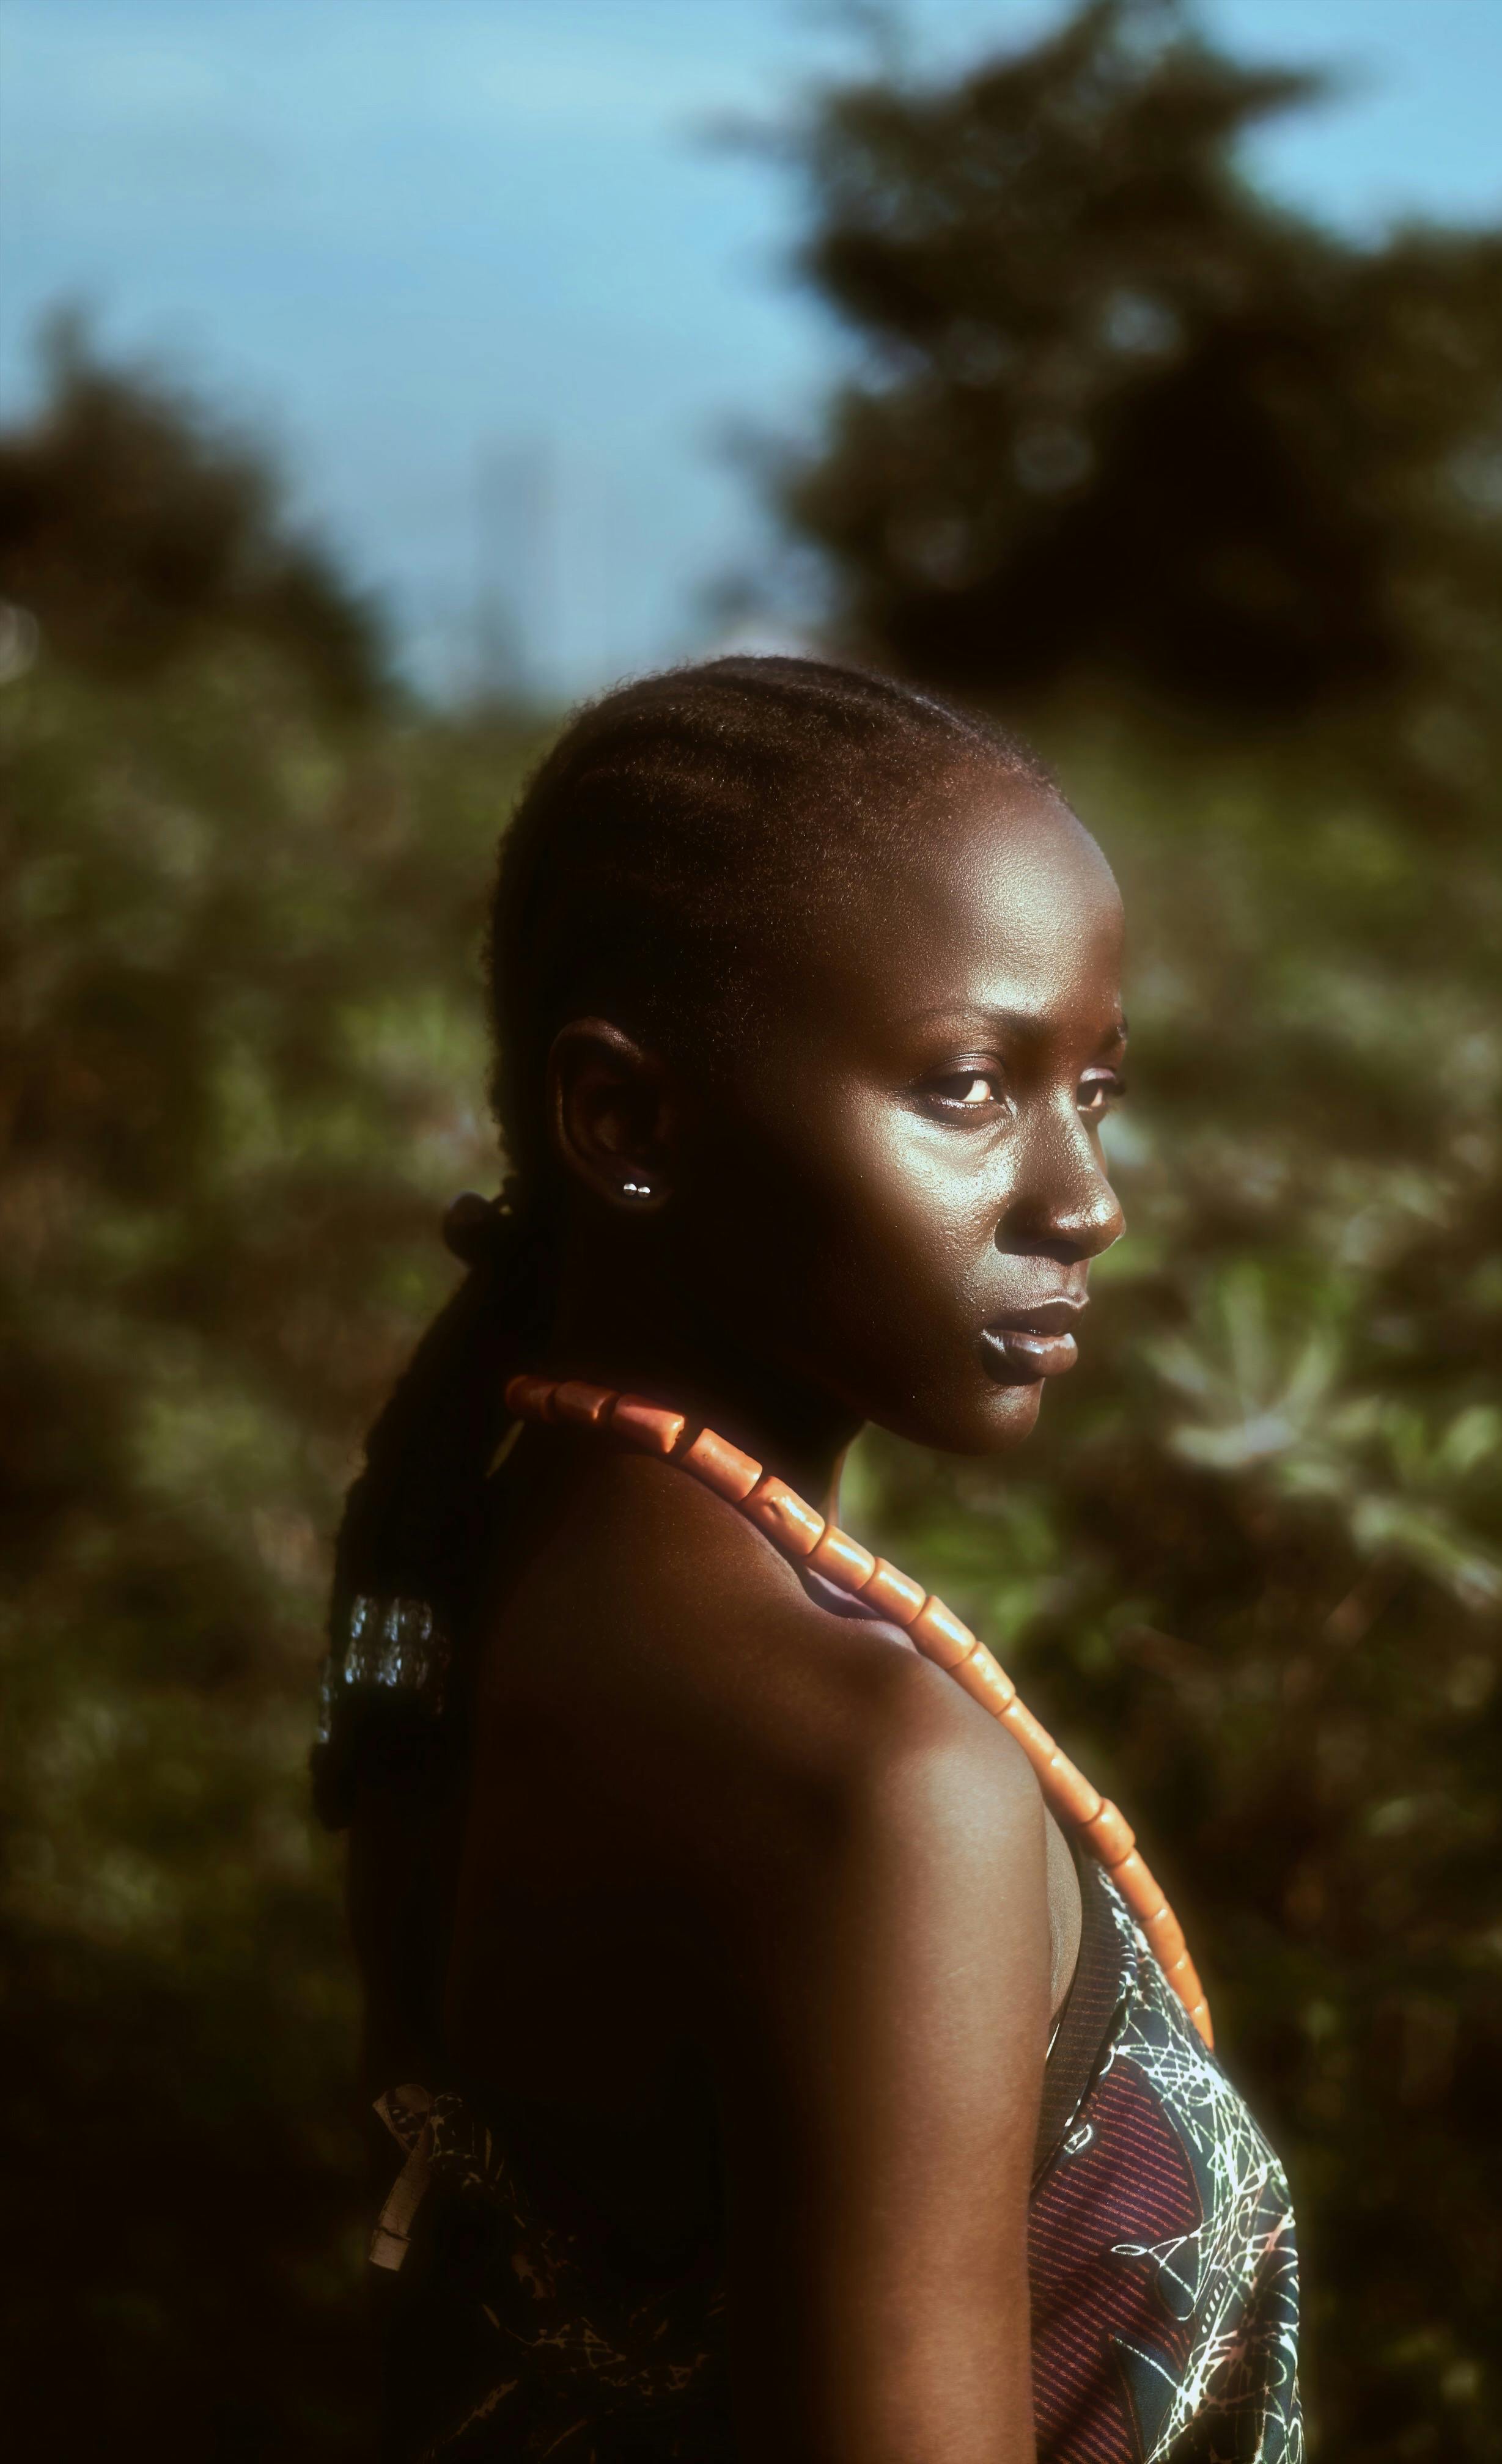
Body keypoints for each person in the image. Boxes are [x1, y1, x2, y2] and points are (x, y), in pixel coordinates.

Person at [315, 656, 1302, 2463]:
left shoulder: (507, 1552)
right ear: (625, 1120)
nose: (1086, 1201)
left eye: (1100, 1087)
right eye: (970, 1088)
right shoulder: (870, 1775)